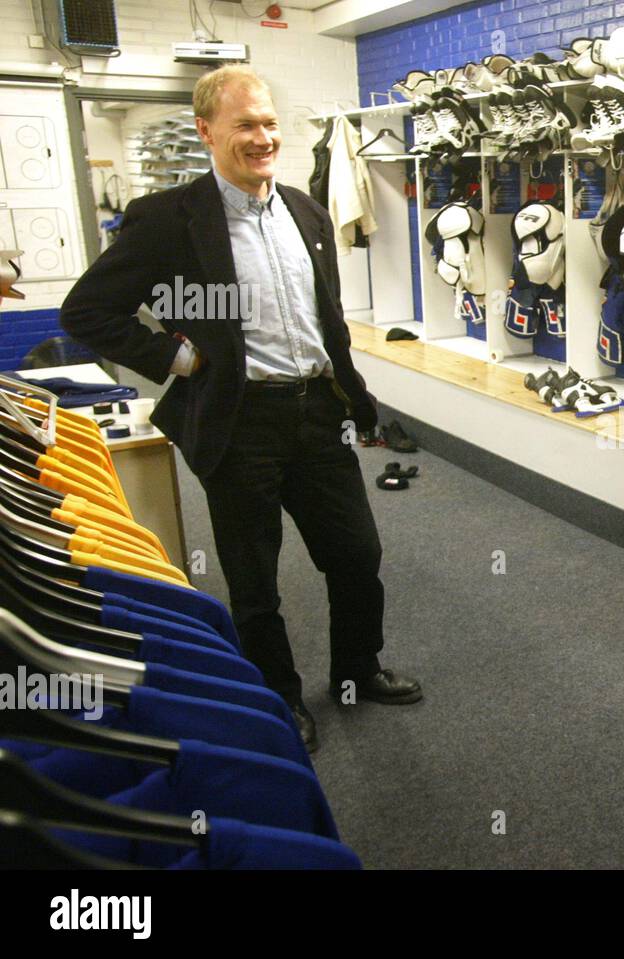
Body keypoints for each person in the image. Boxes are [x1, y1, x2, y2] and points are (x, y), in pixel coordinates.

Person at [60, 66, 422, 753]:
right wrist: (174, 358)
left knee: (356, 553)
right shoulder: (169, 220)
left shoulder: (306, 211)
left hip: (318, 412)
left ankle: (356, 669)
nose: (264, 138)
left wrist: (357, 398)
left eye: (269, 123)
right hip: (238, 422)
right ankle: (279, 699)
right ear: (206, 131)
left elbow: (328, 322)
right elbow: (87, 310)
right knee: (254, 576)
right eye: (245, 126)